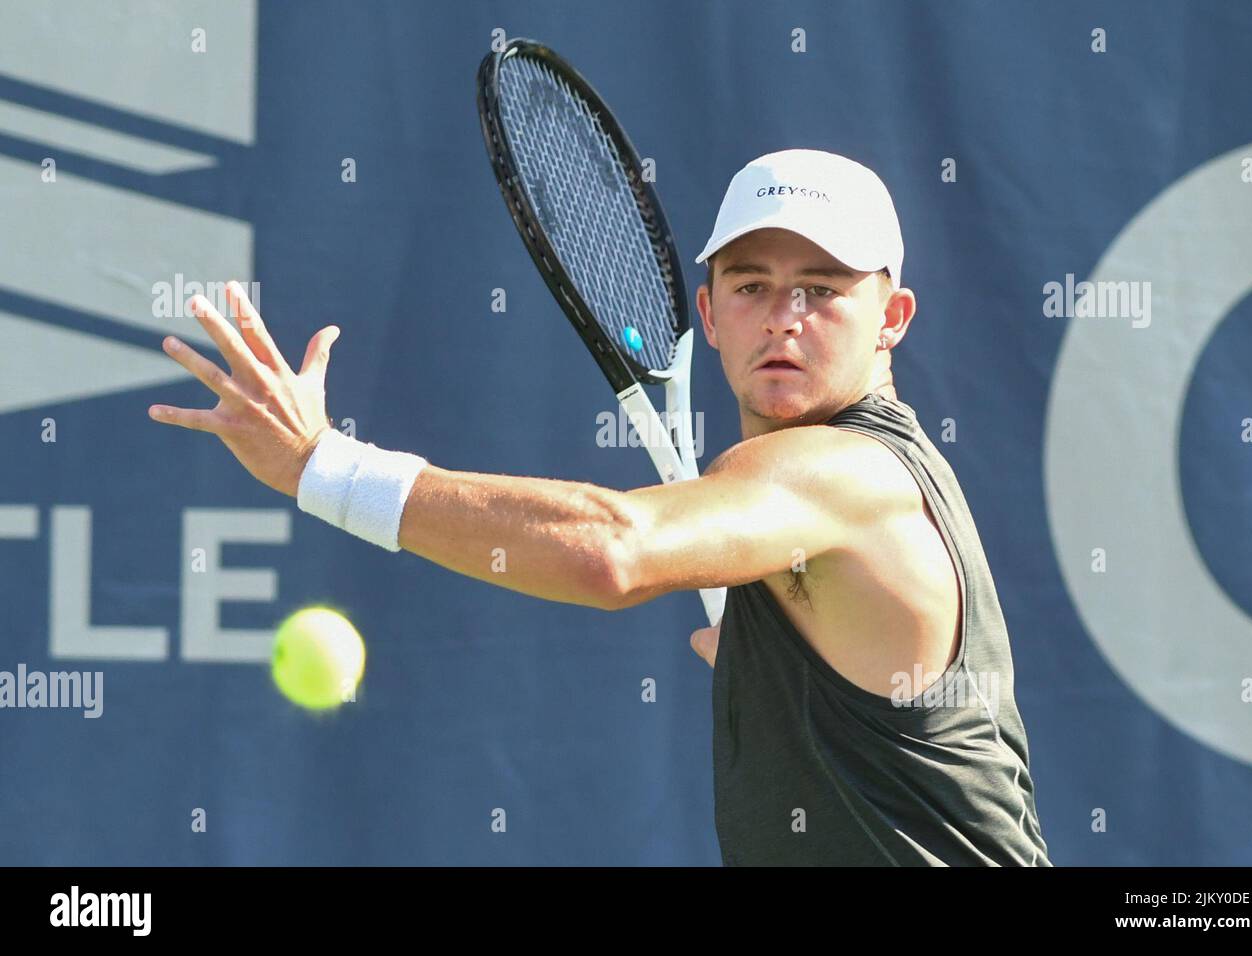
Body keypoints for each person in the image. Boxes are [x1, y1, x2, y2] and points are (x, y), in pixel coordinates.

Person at [148, 148, 1050, 866]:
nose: (785, 315)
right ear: (708, 309)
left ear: (892, 316)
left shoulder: (843, 470)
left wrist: (323, 466)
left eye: (822, 287)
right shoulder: (810, 504)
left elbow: (611, 550)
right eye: (752, 285)